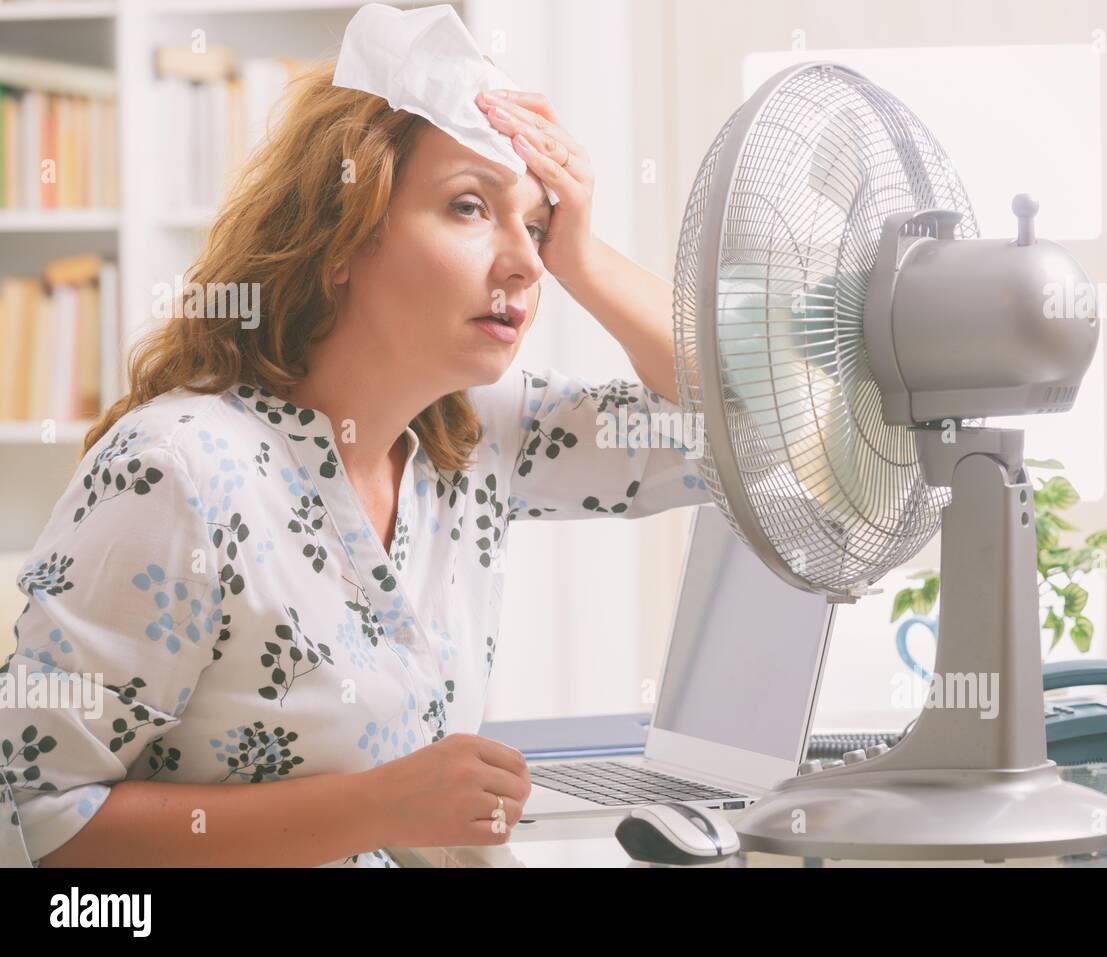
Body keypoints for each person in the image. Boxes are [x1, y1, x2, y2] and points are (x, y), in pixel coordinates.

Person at [0, 61, 708, 868]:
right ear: (343, 242)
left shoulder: (475, 438)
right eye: (469, 207)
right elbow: (37, 816)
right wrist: (375, 807)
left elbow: (736, 434)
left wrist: (587, 259)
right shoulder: (178, 471)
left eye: (537, 227)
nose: (526, 263)